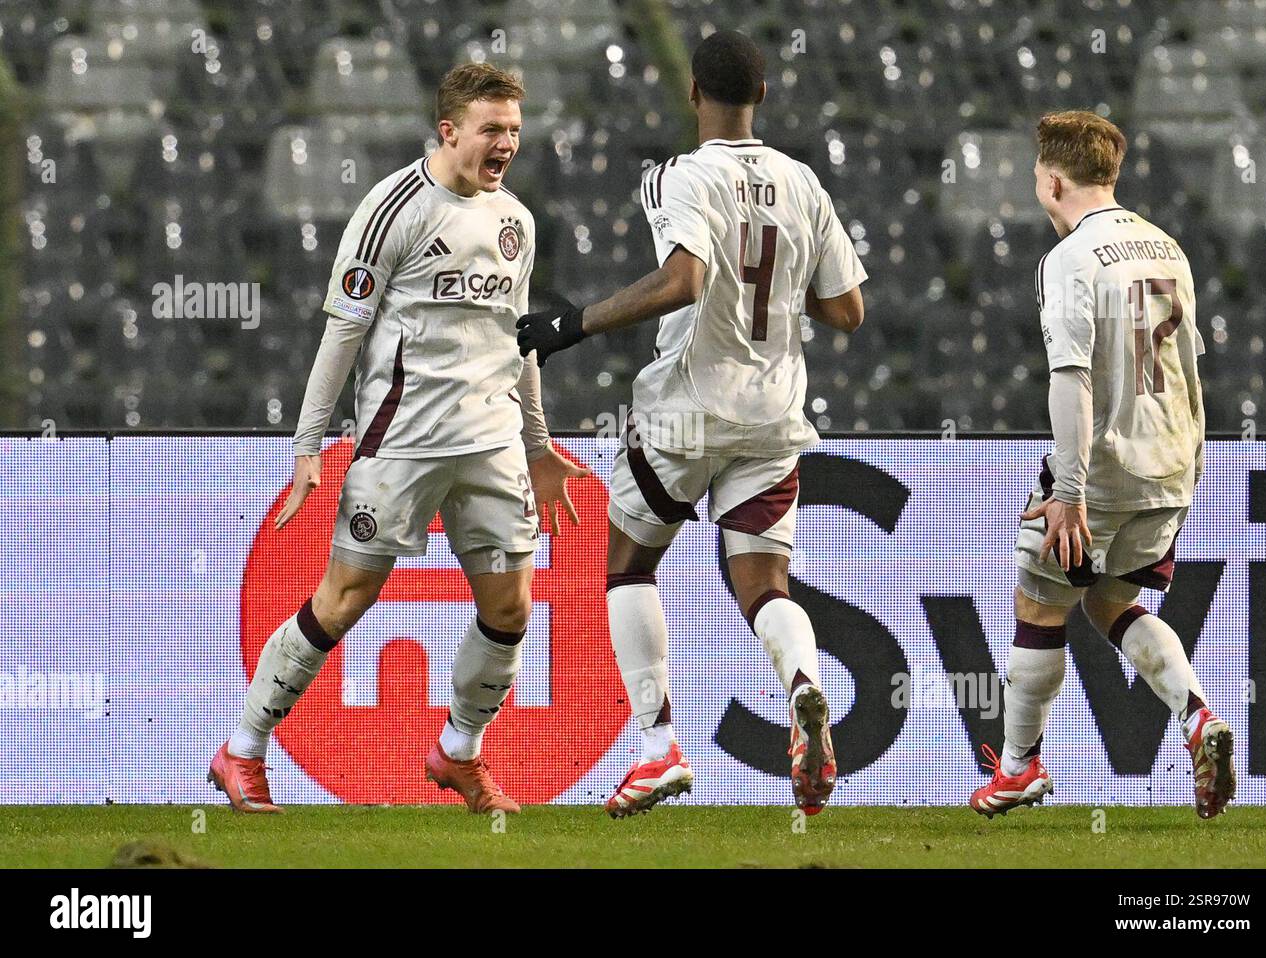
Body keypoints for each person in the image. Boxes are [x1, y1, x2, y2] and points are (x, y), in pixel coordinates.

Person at [209, 63, 587, 815]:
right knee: (345, 599)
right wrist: (308, 446)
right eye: (492, 129)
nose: (507, 142)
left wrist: (540, 446)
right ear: (449, 132)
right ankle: (242, 751)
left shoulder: (517, 220)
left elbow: (521, 341)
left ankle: (458, 754)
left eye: (514, 129)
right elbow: (342, 330)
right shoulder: (393, 208)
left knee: (511, 608)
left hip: (492, 443)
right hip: (402, 441)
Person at [517, 30, 865, 817]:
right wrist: (776, 289)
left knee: (628, 565)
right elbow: (848, 309)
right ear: (764, 96)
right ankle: (806, 688)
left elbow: (684, 280)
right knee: (764, 585)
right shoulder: (802, 180)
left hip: (688, 409)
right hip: (774, 415)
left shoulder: (679, 175)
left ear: (693, 97)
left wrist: (572, 325)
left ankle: (656, 747)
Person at [970, 110, 1235, 820]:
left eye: (1035, 177)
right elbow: (1189, 369)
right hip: (1173, 460)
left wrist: (1068, 491)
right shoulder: (1167, 247)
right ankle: (1198, 715)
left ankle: (1020, 768)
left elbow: (1071, 377)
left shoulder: (1071, 259)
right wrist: (1194, 462)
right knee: (1111, 601)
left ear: (1053, 182)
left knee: (1039, 604)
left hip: (1104, 468)